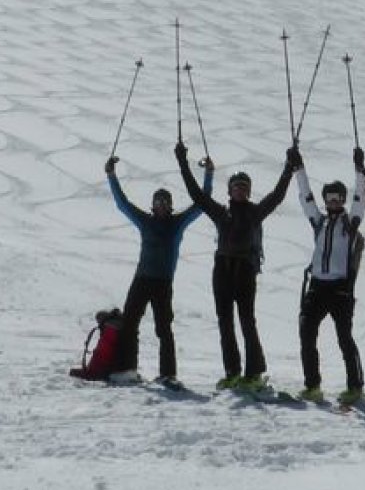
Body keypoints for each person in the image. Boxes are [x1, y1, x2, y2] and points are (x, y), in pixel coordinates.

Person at [180, 141, 298, 391]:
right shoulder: (221, 212)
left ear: (249, 191)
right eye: (236, 187)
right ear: (230, 190)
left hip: (244, 268)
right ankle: (232, 372)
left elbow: (277, 196)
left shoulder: (255, 212)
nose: (240, 191)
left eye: (244, 188)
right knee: (225, 321)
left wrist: (289, 167)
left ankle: (253, 372)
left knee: (246, 320)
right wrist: (182, 162)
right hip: (222, 267)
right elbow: (197, 195)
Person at [105, 149, 212, 384]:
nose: (162, 205)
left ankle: (168, 374)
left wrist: (209, 174)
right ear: (153, 205)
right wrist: (111, 176)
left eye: (165, 202)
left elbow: (202, 203)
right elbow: (122, 204)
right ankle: (126, 369)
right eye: (158, 202)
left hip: (163, 283)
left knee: (164, 329)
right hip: (142, 279)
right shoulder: (145, 221)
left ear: (170, 206)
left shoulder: (177, 223)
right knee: (130, 323)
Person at [292, 146, 365, 405]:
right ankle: (312, 385)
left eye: (338, 197)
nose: (333, 201)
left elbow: (361, 199)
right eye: (330, 198)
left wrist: (360, 170)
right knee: (306, 332)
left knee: (344, 337)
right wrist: (298, 168)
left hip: (340, 288)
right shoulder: (320, 222)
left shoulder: (350, 224)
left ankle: (355, 386)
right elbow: (306, 199)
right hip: (316, 286)